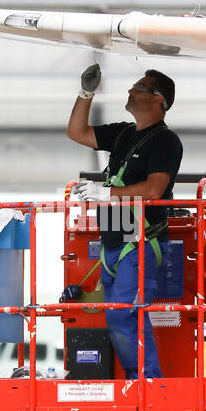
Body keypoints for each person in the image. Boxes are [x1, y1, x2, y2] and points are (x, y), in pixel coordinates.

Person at [67, 64, 182, 378]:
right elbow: (77, 132)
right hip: (115, 241)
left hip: (140, 242)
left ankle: (146, 385)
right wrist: (85, 93)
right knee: (119, 315)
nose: (130, 91)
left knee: (122, 315)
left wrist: (106, 194)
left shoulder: (165, 142)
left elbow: (155, 189)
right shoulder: (123, 134)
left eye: (139, 87)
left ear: (159, 100)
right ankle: (141, 384)